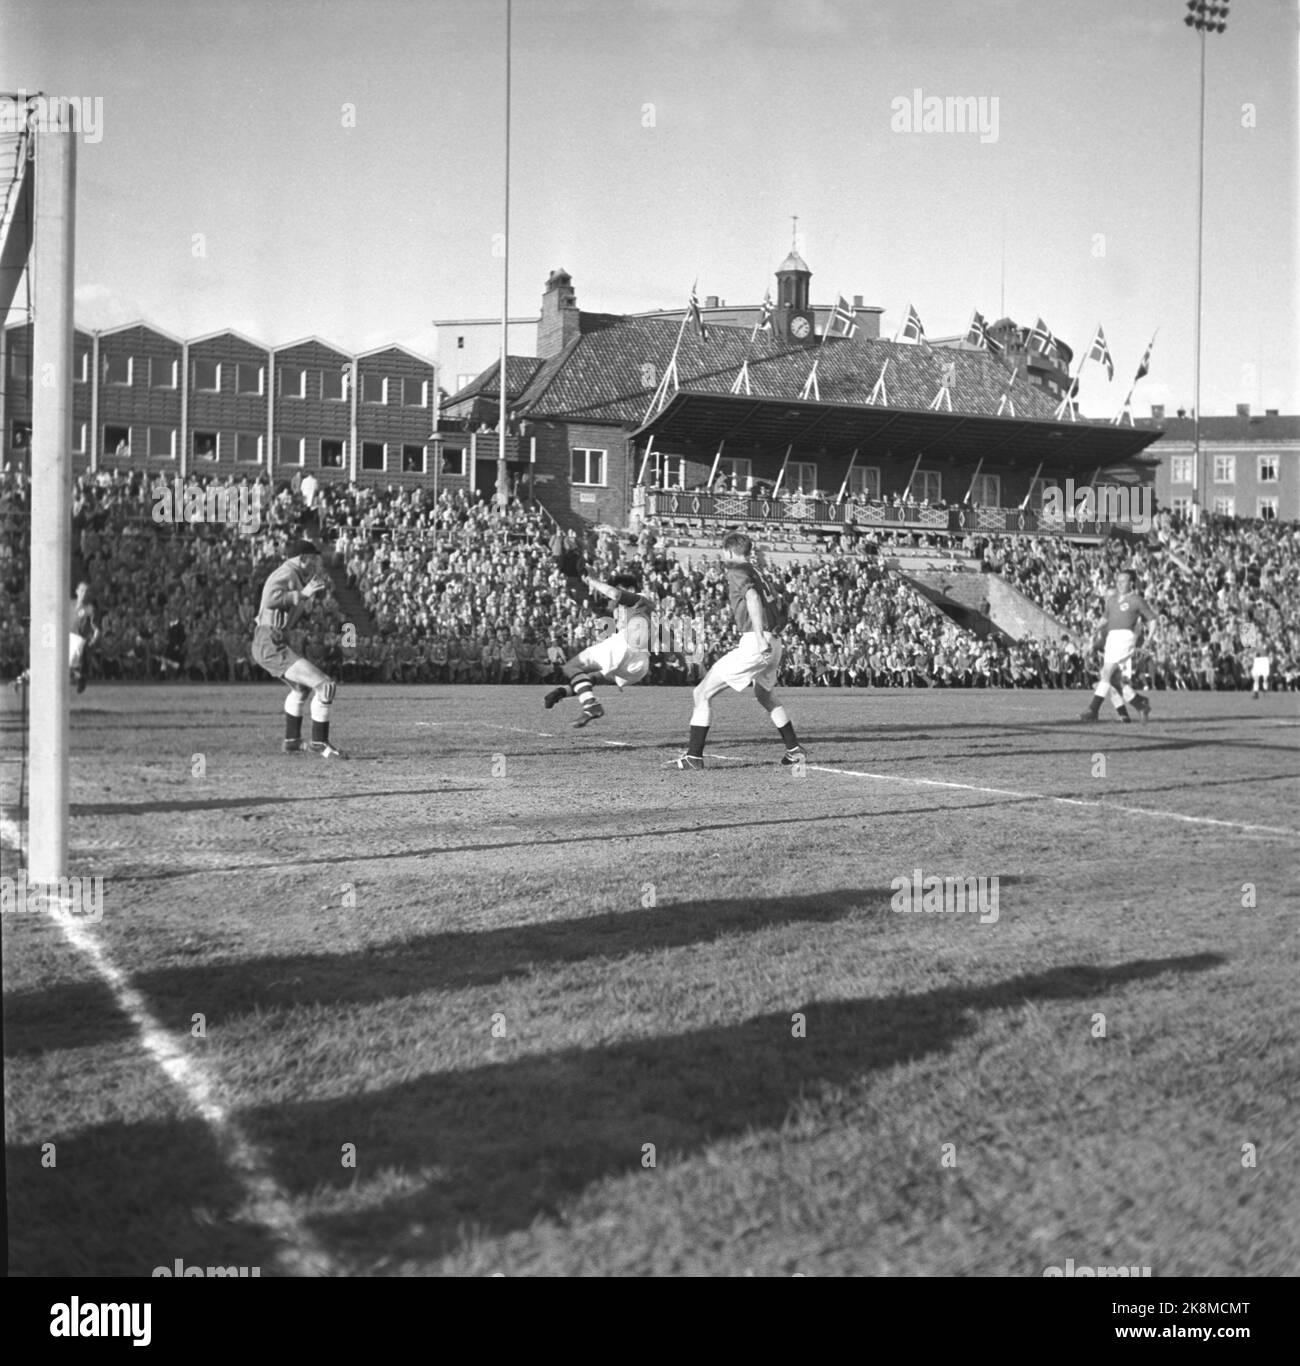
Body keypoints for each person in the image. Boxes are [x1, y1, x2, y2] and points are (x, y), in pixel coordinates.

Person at [674, 532, 803, 769]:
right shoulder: (759, 571)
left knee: (701, 693)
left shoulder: (737, 570)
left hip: (756, 641)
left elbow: (752, 597)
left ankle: (693, 756)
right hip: (774, 640)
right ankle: (794, 750)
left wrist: (759, 637)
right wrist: (771, 634)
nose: (723, 557)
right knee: (764, 695)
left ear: (731, 551)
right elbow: (780, 602)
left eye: (724, 552)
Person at [250, 539, 347, 757]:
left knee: (301, 689)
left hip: (271, 640)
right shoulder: (286, 573)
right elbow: (270, 599)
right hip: (270, 641)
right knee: (326, 685)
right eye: (312, 558)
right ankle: (320, 743)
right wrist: (303, 595)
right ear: (302, 558)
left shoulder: (294, 575)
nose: (314, 563)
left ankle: (292, 741)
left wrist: (307, 597)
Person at [543, 572, 653, 727]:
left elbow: (614, 593)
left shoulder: (639, 599)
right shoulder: (644, 611)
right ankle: (563, 692)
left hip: (625, 646)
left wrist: (591, 581)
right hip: (639, 666)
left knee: (571, 667)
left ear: (630, 588)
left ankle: (590, 705)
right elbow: (661, 633)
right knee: (592, 677)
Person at [1079, 570, 1155, 723]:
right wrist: (1094, 630)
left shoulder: (1136, 600)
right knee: (1113, 680)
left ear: (1131, 583)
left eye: (1123, 581)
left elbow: (1152, 620)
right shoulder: (1111, 600)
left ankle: (1093, 709)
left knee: (1106, 672)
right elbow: (1105, 618)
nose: (1119, 583)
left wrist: (1149, 639)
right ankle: (1140, 704)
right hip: (1112, 638)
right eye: (1118, 580)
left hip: (1125, 637)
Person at [69, 578, 100, 694]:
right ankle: (80, 676)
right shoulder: (69, 604)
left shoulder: (90, 609)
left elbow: (96, 628)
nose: (84, 593)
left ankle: (81, 676)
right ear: (77, 591)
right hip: (65, 638)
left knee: (69, 662)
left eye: (86, 591)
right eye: (82, 590)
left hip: (79, 639)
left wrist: (94, 639)